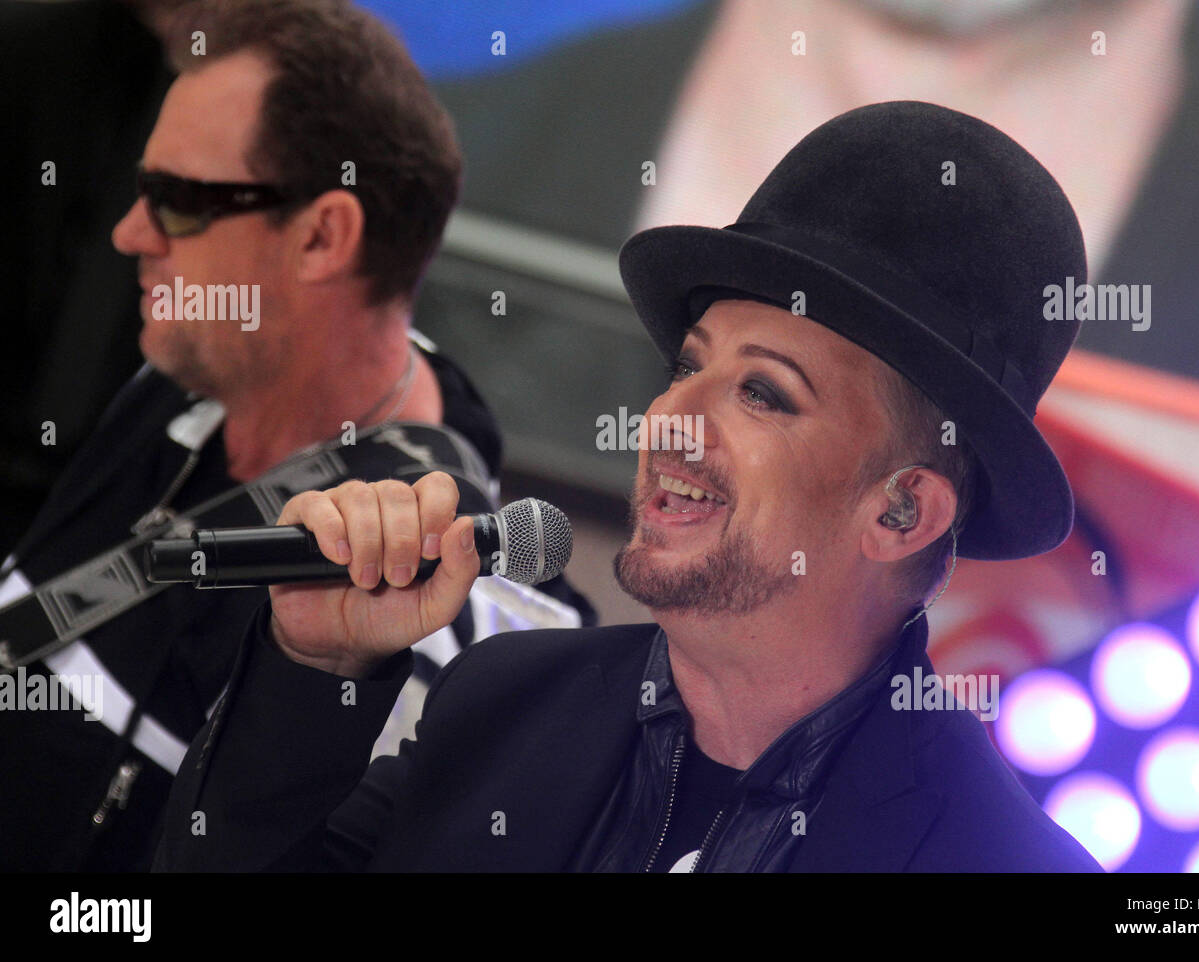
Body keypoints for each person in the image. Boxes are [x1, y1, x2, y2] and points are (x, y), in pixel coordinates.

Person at [155, 102, 1102, 872]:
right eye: (682, 369)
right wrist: (318, 672)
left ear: (901, 511)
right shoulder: (503, 706)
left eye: (764, 393)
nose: (670, 419)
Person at [0, 0, 586, 872]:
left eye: (178, 204)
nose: (131, 234)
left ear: (321, 236)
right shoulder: (182, 378)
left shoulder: (427, 598)